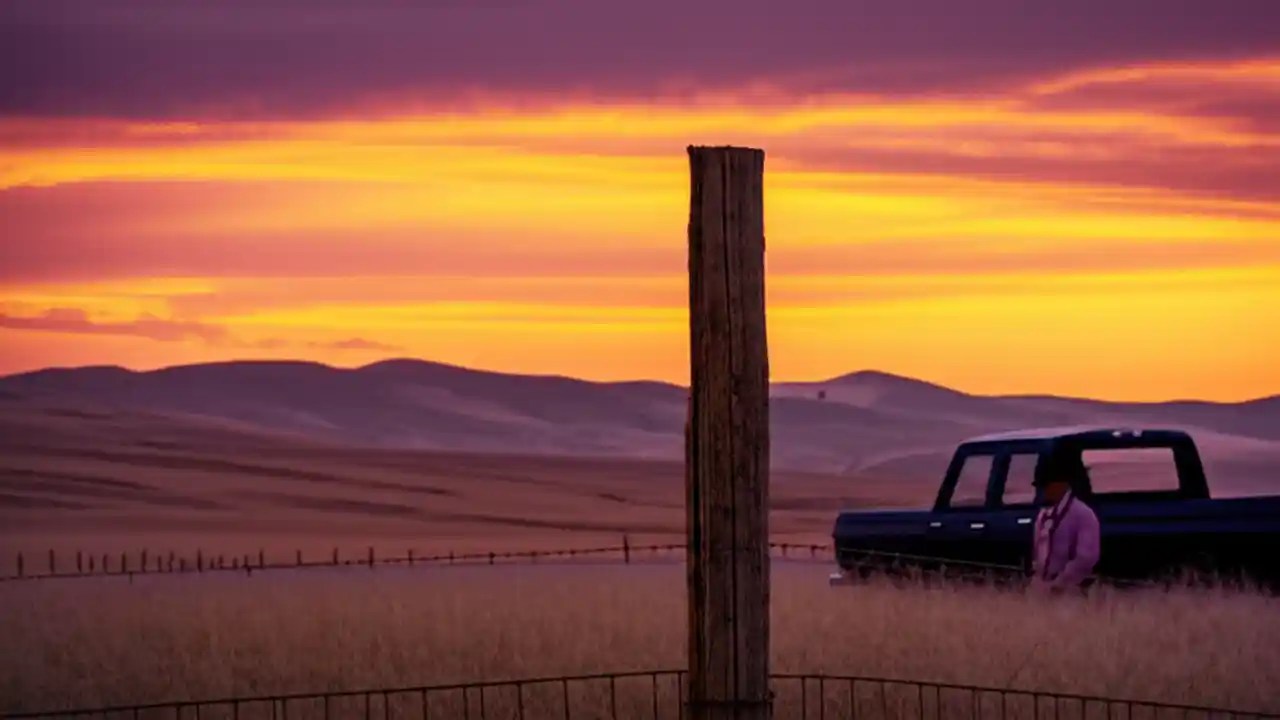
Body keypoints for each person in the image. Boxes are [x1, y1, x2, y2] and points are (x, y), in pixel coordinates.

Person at [1030, 449, 1101, 595]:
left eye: (1047, 485)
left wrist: (1061, 582)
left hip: (1072, 589)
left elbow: (1086, 557)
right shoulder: (1043, 515)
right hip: (1045, 587)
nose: (1044, 491)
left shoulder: (1083, 514)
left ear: (1062, 485)